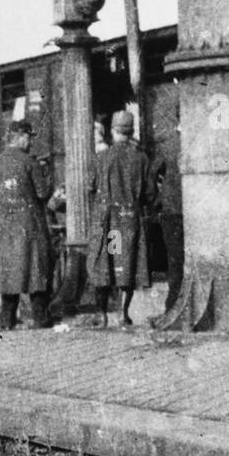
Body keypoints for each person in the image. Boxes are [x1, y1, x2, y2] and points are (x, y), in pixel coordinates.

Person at [0, 120, 55, 330]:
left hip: (7, 226)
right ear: (21, 137)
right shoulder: (29, 163)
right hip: (31, 224)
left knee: (9, 273)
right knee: (36, 270)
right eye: (29, 137)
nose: (30, 142)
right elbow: (42, 193)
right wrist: (47, 175)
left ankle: (6, 322)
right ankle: (40, 319)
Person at [88, 110, 157, 327]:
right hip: (129, 219)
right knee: (127, 264)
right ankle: (123, 314)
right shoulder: (142, 159)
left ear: (113, 131)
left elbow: (89, 188)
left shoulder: (101, 158)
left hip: (108, 221)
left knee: (105, 263)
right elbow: (150, 194)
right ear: (131, 131)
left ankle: (101, 314)